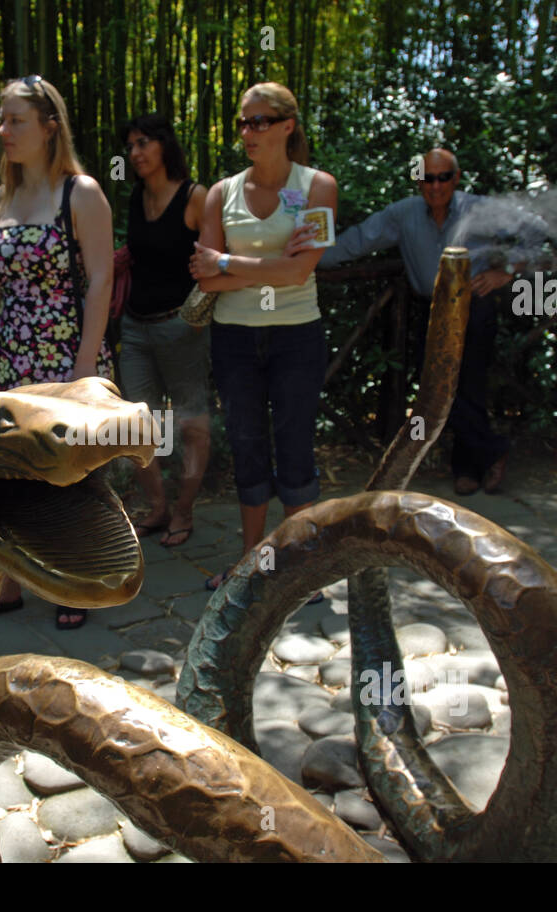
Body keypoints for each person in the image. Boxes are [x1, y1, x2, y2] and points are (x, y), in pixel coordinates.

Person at [304, 148, 546, 495]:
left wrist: (506, 270)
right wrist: (305, 258)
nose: (436, 186)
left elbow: (535, 229)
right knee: (437, 388)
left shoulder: (478, 209)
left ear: (455, 178)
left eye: (443, 177)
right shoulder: (403, 214)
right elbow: (356, 241)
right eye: (428, 178)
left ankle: (471, 466)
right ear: (419, 180)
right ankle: (487, 455)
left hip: (473, 307)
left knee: (469, 387)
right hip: (431, 310)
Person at [0, 75, 113, 630]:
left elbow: (99, 281)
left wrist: (84, 372)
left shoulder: (82, 192)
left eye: (16, 120)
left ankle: (73, 579)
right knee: (8, 470)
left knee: (68, 474)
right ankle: (9, 582)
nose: (3, 130)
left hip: (65, 356)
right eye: (2, 119)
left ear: (50, 128)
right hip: (10, 360)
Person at [189, 82, 337, 592]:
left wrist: (231, 261)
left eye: (260, 122)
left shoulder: (317, 187)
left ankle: (300, 569)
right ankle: (251, 565)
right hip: (234, 339)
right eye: (243, 123)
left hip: (297, 335)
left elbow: (300, 275)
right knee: (248, 446)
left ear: (288, 125)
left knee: (295, 446)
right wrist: (274, 264)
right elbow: (203, 280)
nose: (248, 132)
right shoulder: (220, 192)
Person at [118, 114, 209, 547]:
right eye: (130, 146)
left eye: (142, 144)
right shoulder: (135, 196)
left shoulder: (196, 197)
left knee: (190, 421)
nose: (134, 153)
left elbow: (214, 262)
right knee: (138, 424)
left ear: (164, 145)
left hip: (181, 326)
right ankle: (157, 507)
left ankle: (185, 509)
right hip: (135, 326)